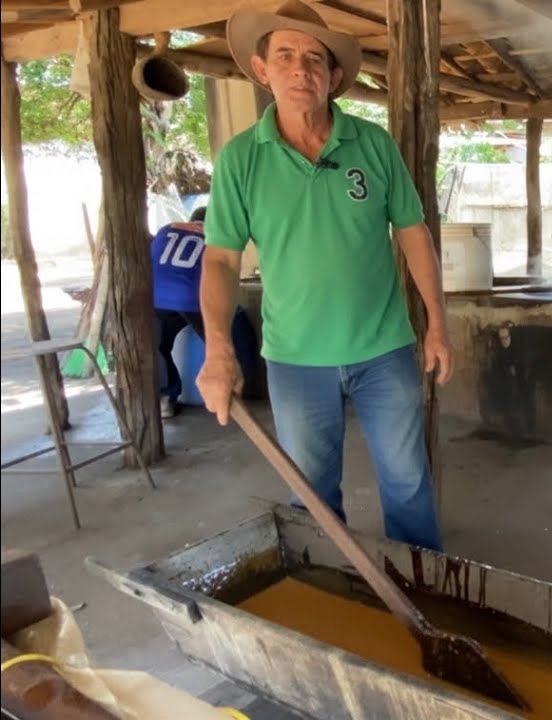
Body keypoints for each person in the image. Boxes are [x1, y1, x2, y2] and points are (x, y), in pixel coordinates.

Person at [196, 0, 453, 552]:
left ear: (333, 77)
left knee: (408, 483)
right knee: (311, 495)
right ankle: (333, 595)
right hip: (295, 360)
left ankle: (425, 593)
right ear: (262, 69)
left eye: (314, 59)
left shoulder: (374, 145)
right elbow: (219, 259)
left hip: (385, 349)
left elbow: (413, 232)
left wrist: (437, 322)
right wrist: (219, 349)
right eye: (285, 55)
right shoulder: (242, 160)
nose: (300, 69)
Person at [151, 206, 208, 419]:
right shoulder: (214, 235)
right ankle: (229, 395)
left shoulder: (167, 229)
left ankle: (166, 399)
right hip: (191, 297)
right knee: (219, 343)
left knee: (160, 347)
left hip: (156, 296)